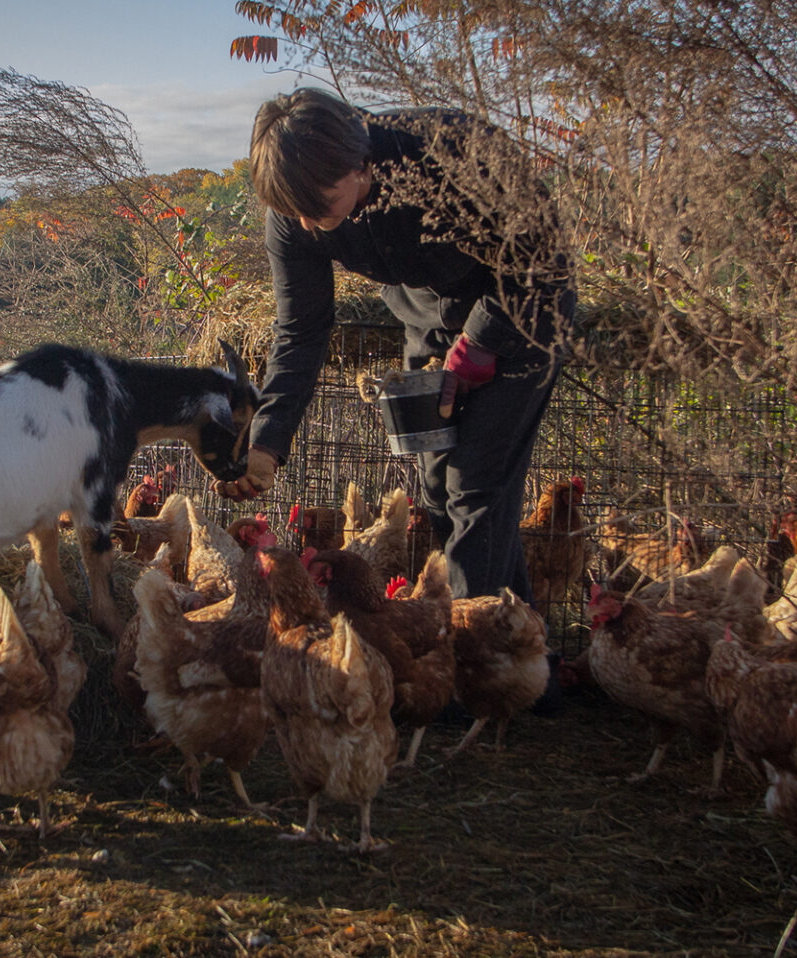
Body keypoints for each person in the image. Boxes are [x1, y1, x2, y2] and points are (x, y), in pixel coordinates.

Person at [216, 89, 575, 601]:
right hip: (429, 322)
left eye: (317, 206)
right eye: (291, 211)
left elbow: (546, 258)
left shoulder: (448, 150)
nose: (305, 223)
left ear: (359, 166)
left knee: (474, 487)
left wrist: (480, 343)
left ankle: (472, 653)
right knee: (435, 488)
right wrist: (267, 442)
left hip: (521, 311)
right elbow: (302, 328)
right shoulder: (297, 214)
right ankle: (517, 651)